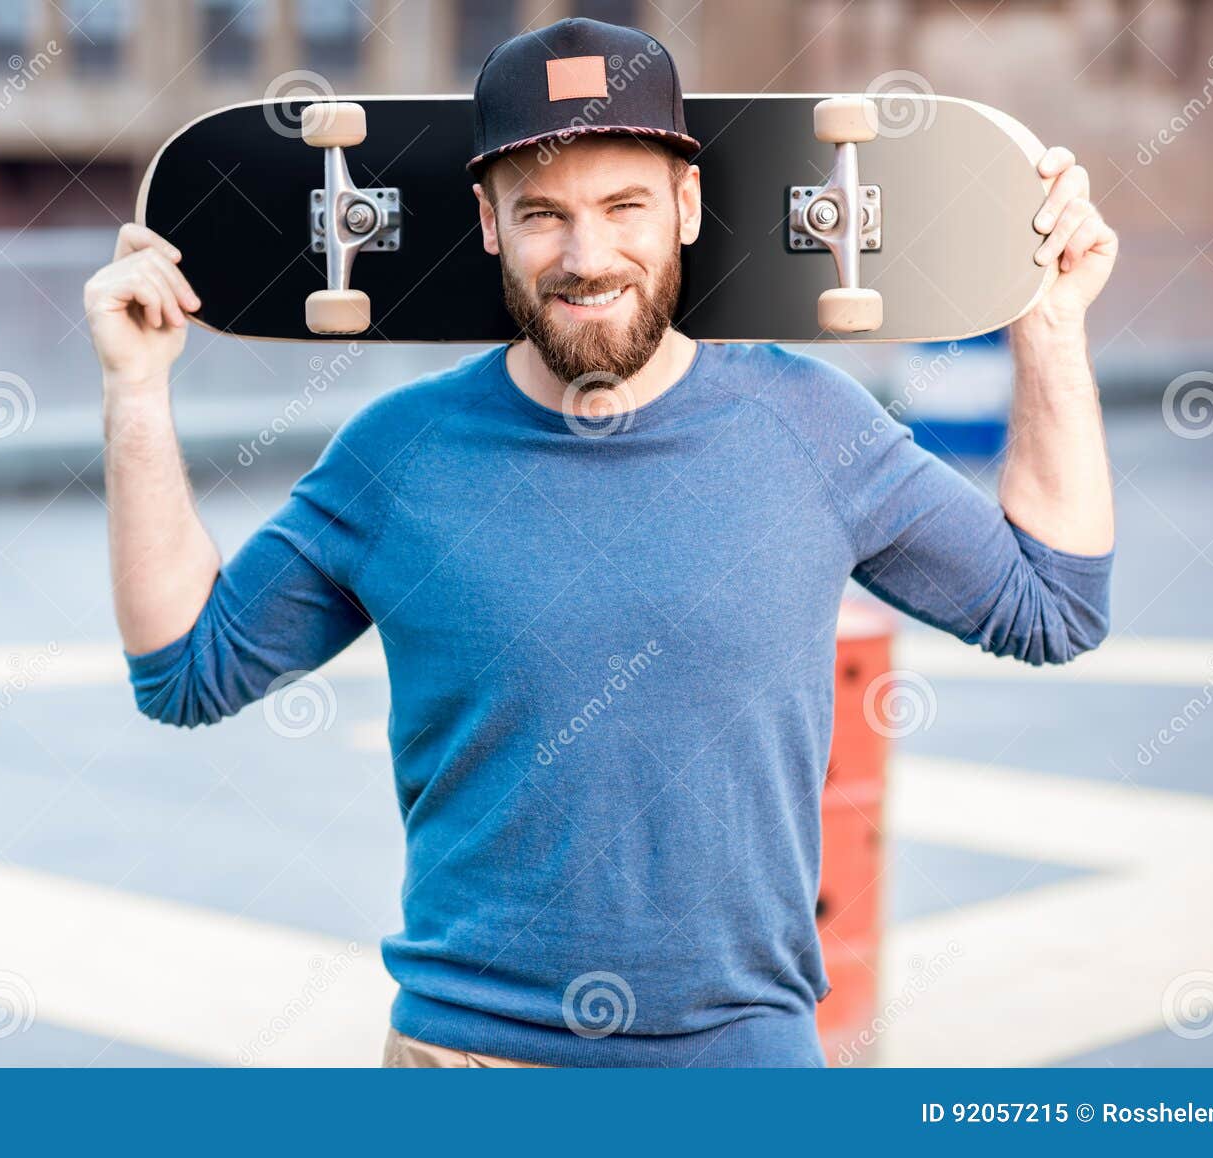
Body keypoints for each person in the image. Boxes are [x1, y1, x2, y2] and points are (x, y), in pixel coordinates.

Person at [83, 18, 1117, 1068]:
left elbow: (1053, 606)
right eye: (541, 214)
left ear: (687, 206)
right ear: (488, 225)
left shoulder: (811, 427)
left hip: (742, 1066)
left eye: (625, 206)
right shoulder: (396, 458)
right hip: (467, 1066)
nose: (587, 257)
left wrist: (1048, 323)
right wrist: (135, 390)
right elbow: (185, 669)